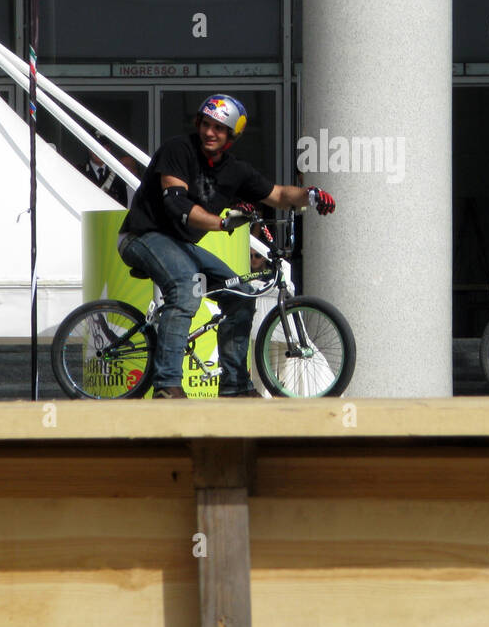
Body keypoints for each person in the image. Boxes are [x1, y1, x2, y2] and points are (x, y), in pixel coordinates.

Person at [117, 94, 335, 399]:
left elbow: (280, 194)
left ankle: (234, 385)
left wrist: (310, 195)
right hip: (142, 236)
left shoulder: (236, 171)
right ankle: (167, 384)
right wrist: (221, 223)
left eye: (219, 128)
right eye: (206, 124)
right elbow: (176, 203)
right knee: (183, 287)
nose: (210, 132)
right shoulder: (177, 150)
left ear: (232, 135)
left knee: (241, 297)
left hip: (180, 245)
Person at [79, 137, 133, 207]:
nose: (98, 151)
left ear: (109, 150)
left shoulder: (118, 175)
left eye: (103, 148)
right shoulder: (79, 172)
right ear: (89, 148)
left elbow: (123, 205)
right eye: (95, 147)